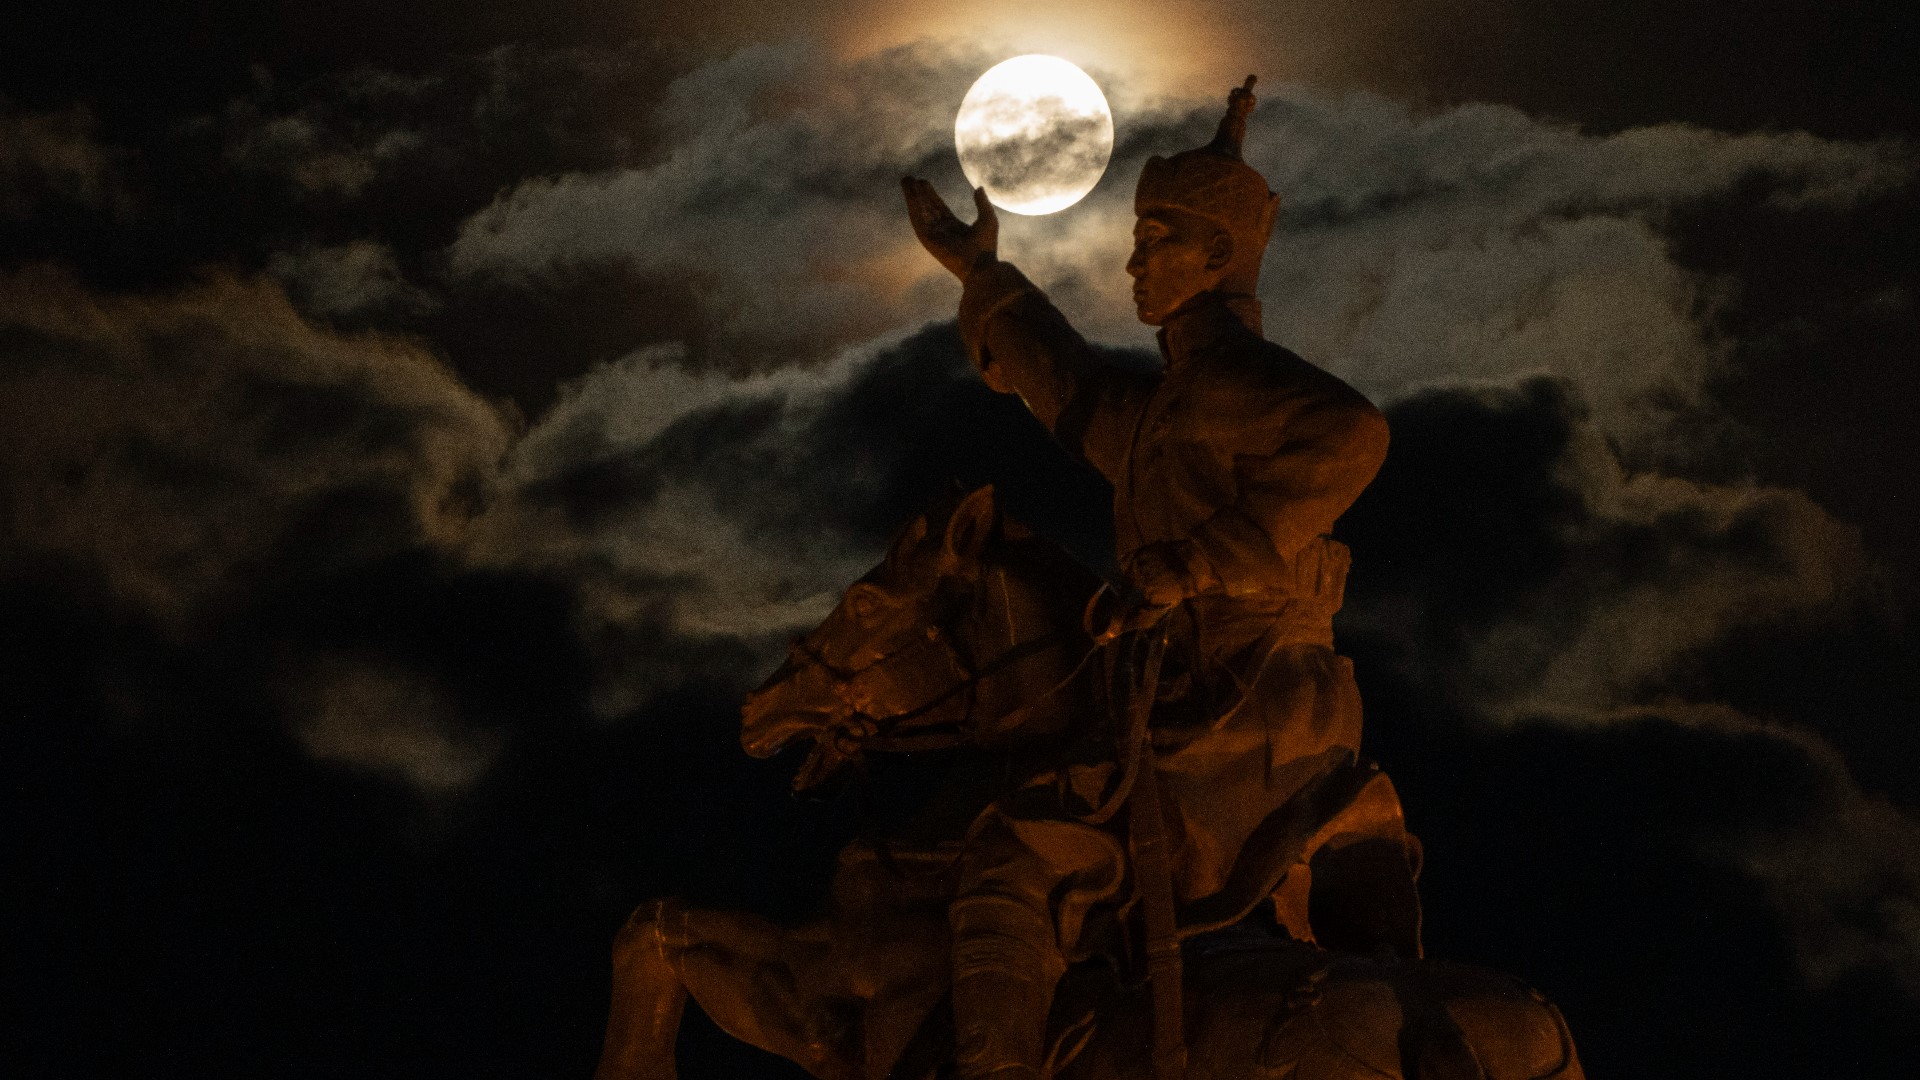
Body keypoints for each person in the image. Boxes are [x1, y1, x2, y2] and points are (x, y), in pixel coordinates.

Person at [902, 78, 1415, 1080]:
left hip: (1247, 709)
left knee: (1015, 854)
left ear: (1218, 258)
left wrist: (1199, 562)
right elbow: (1070, 386)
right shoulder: (1166, 407)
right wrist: (983, 274)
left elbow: (1354, 432)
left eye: (1156, 244)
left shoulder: (1235, 385)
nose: (1135, 266)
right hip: (1214, 701)